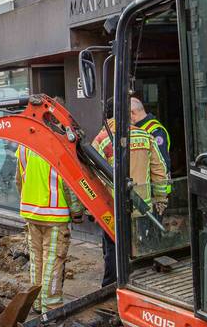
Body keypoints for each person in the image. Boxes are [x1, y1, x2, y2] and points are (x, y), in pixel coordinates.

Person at [93, 108, 169, 287]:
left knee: (113, 249)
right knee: (141, 248)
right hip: (143, 207)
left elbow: (93, 176)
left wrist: (93, 208)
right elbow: (159, 171)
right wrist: (161, 198)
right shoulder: (146, 136)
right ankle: (142, 285)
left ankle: (112, 287)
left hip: (114, 207)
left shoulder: (102, 140)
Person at [16, 145, 84, 313]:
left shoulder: (24, 146)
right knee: (52, 262)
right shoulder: (55, 145)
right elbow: (69, 185)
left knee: (36, 260)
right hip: (54, 215)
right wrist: (77, 212)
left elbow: (19, 179)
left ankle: (37, 303)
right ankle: (51, 307)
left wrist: (28, 202)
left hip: (31, 213)